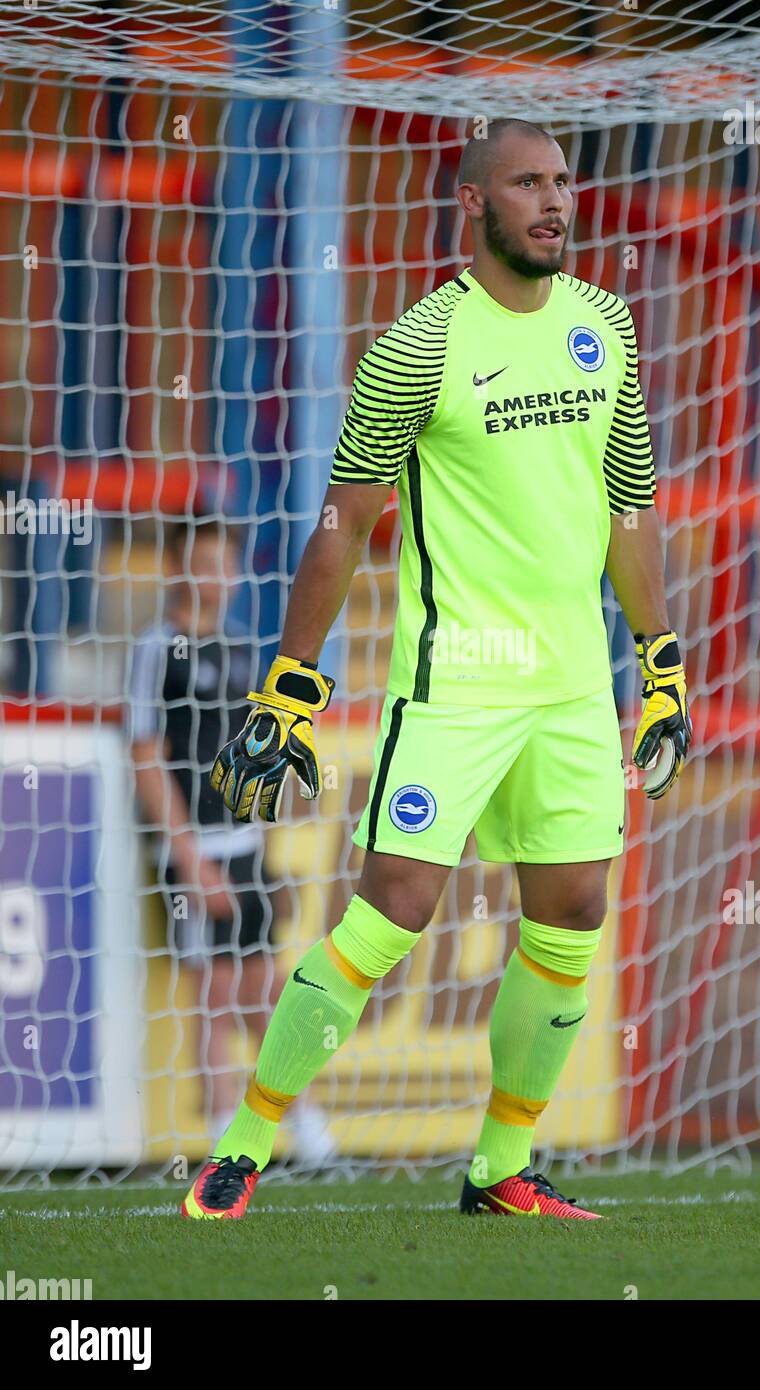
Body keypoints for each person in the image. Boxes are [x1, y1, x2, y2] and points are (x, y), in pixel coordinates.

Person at [183, 118, 692, 1221]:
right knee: (392, 909)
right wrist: (288, 685)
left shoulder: (605, 325)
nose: (554, 203)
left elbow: (630, 507)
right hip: (454, 675)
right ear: (474, 204)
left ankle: (498, 1166)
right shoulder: (417, 345)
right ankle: (246, 1139)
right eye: (526, 185)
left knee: (570, 913)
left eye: (562, 182)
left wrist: (659, 665)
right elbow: (343, 520)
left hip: (568, 683)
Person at [129, 517, 337, 1167]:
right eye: (201, 563)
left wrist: (264, 843)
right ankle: (226, 1148)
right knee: (216, 996)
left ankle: (307, 1133)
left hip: (244, 848)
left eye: (223, 565)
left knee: (265, 994)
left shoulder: (243, 650)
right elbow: (145, 754)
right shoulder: (157, 648)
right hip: (194, 854)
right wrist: (187, 855)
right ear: (177, 569)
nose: (213, 578)